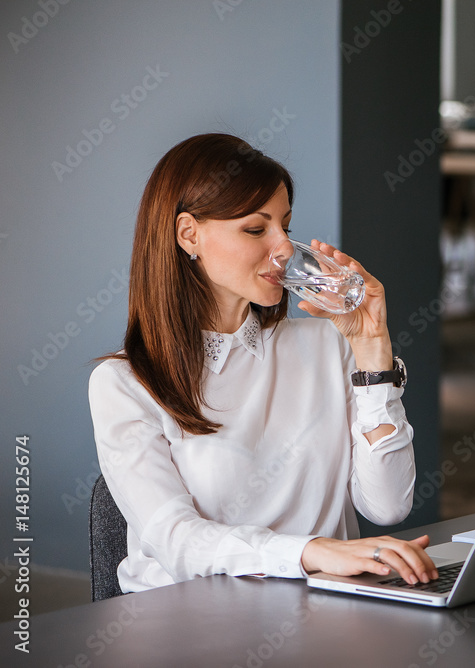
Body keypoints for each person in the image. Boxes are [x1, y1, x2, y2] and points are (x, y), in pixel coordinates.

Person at [89, 133, 437, 593]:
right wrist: (313, 552)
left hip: (324, 615)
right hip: (185, 627)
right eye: (257, 229)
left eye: (285, 227)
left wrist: (373, 348)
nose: (285, 248)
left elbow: (388, 507)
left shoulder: (328, 344)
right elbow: (178, 542)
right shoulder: (123, 383)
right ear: (188, 234)